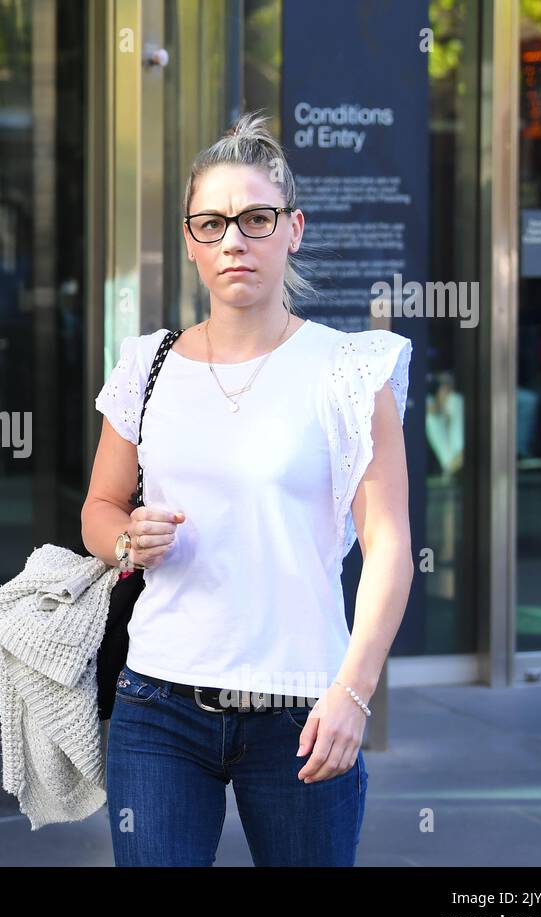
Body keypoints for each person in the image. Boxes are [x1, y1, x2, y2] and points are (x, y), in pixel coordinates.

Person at [81, 110, 413, 866]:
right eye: (212, 223)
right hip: (158, 705)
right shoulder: (147, 365)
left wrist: (354, 692)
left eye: (256, 218)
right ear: (191, 241)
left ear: (292, 229)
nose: (234, 240)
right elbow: (98, 513)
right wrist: (128, 539)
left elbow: (389, 542)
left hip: (305, 708)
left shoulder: (350, 370)